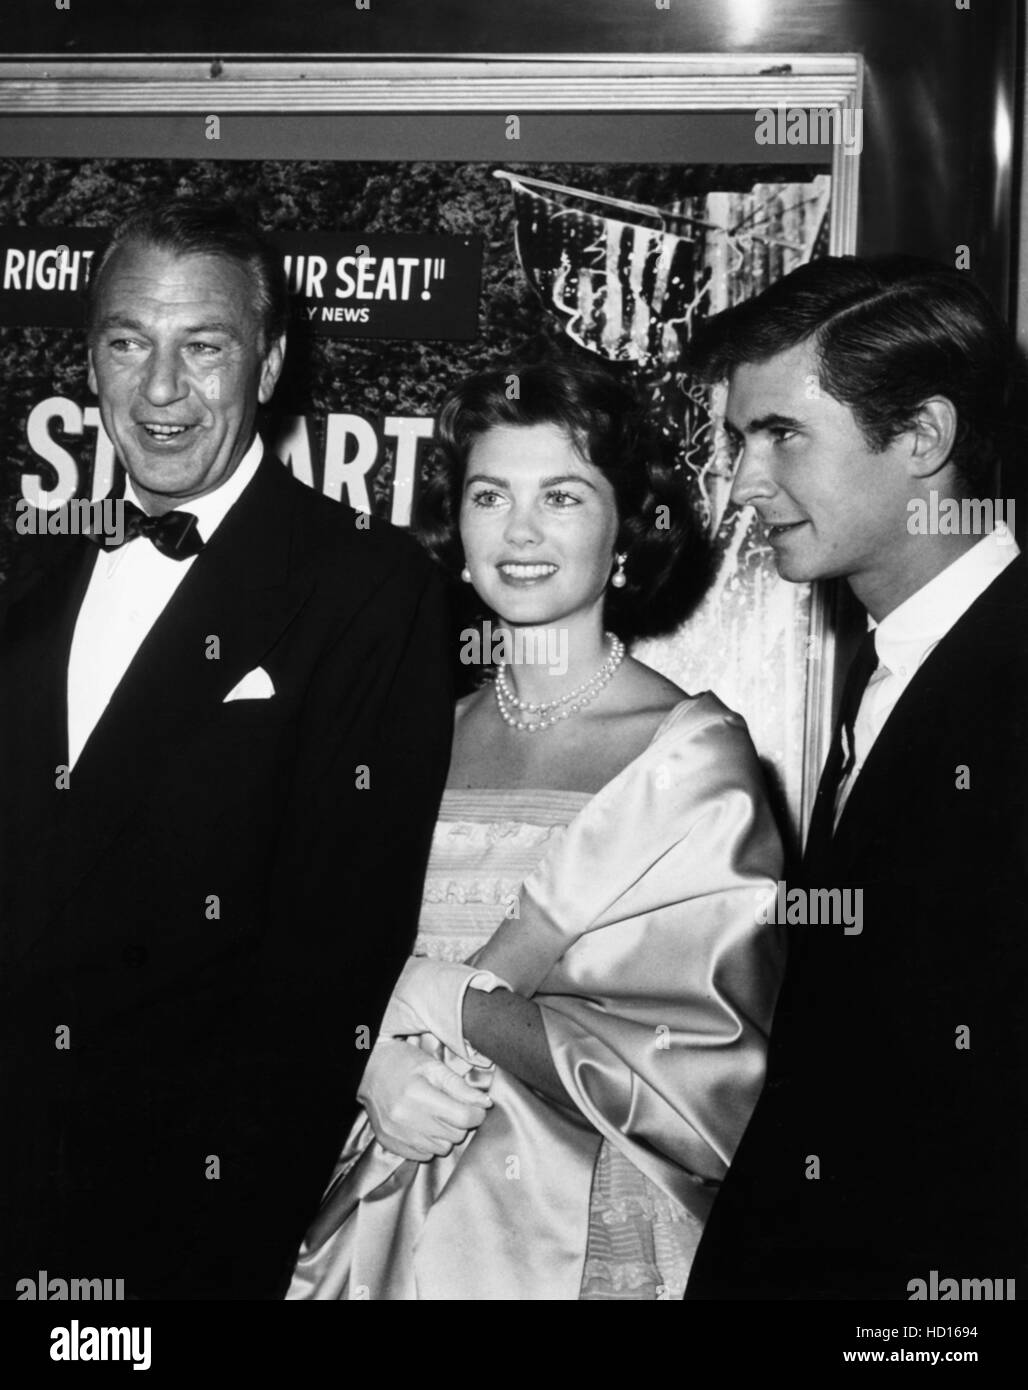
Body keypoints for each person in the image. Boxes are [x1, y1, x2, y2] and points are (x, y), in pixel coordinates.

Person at [0, 198, 452, 1300]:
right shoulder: (27, 580)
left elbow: (334, 951)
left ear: (269, 362)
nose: (160, 390)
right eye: (126, 343)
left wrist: (220, 1247)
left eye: (202, 347)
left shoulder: (368, 589)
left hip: (177, 1226)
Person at [287, 355, 785, 1300]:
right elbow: (295, 972)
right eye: (489, 495)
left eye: (562, 495)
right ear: (456, 527)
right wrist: (367, 1060)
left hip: (587, 1234)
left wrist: (443, 999)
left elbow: (708, 1080)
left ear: (626, 532)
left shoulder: (692, 758)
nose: (520, 531)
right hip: (376, 1217)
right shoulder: (402, 736)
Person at [683, 255, 1028, 1300]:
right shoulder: (902, 663)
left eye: (780, 433)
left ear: (921, 437)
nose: (742, 484)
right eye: (740, 439)